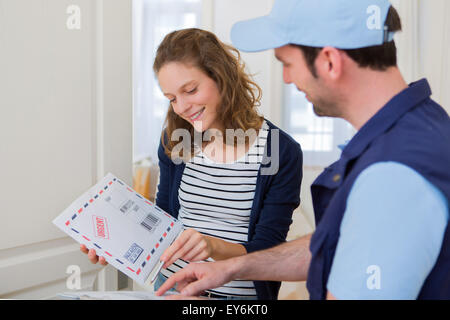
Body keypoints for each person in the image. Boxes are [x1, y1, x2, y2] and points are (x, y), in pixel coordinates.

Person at [156, 0, 450, 300]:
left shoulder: (391, 172)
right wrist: (232, 268)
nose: (287, 78)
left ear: (329, 61)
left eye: (286, 63)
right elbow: (334, 245)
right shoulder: (418, 127)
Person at [81, 28, 303, 300]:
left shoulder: (279, 151)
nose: (182, 107)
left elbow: (269, 251)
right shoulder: (176, 141)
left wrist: (212, 246)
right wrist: (114, 241)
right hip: (173, 289)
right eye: (172, 98)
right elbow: (162, 222)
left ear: (221, 77)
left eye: (190, 90)